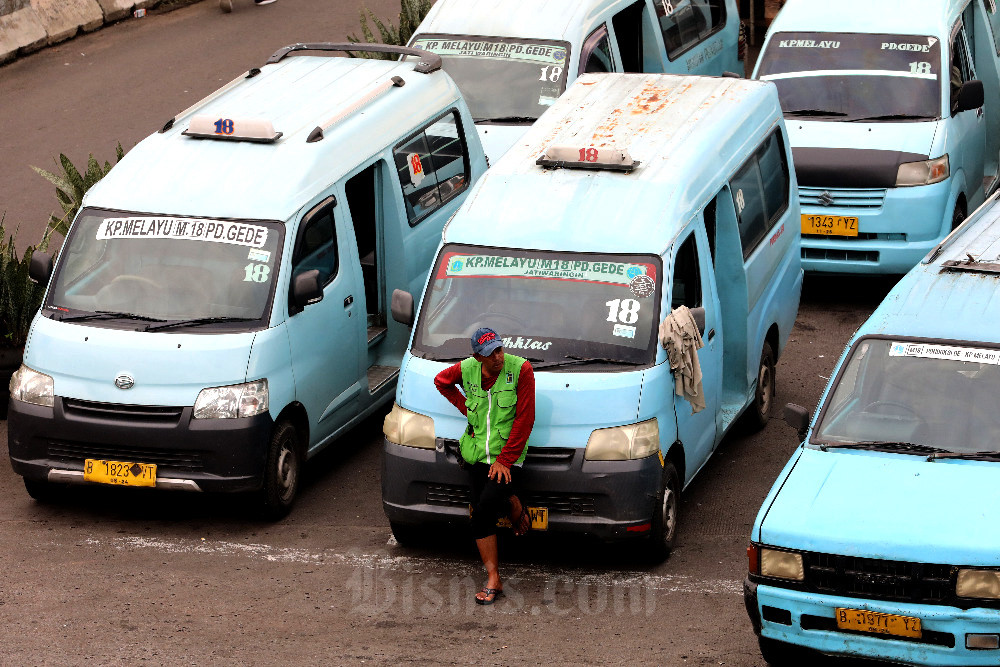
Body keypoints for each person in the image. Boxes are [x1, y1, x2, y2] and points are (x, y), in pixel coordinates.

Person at [434, 327, 535, 605]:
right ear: (478, 356)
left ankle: (493, 579)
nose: (498, 358)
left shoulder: (521, 370)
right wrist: (464, 406)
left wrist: (505, 461)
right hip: (477, 452)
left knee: (483, 509)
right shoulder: (466, 369)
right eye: (491, 354)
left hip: (507, 454)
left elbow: (525, 419)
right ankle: (511, 503)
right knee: (480, 510)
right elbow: (441, 381)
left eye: (500, 350)